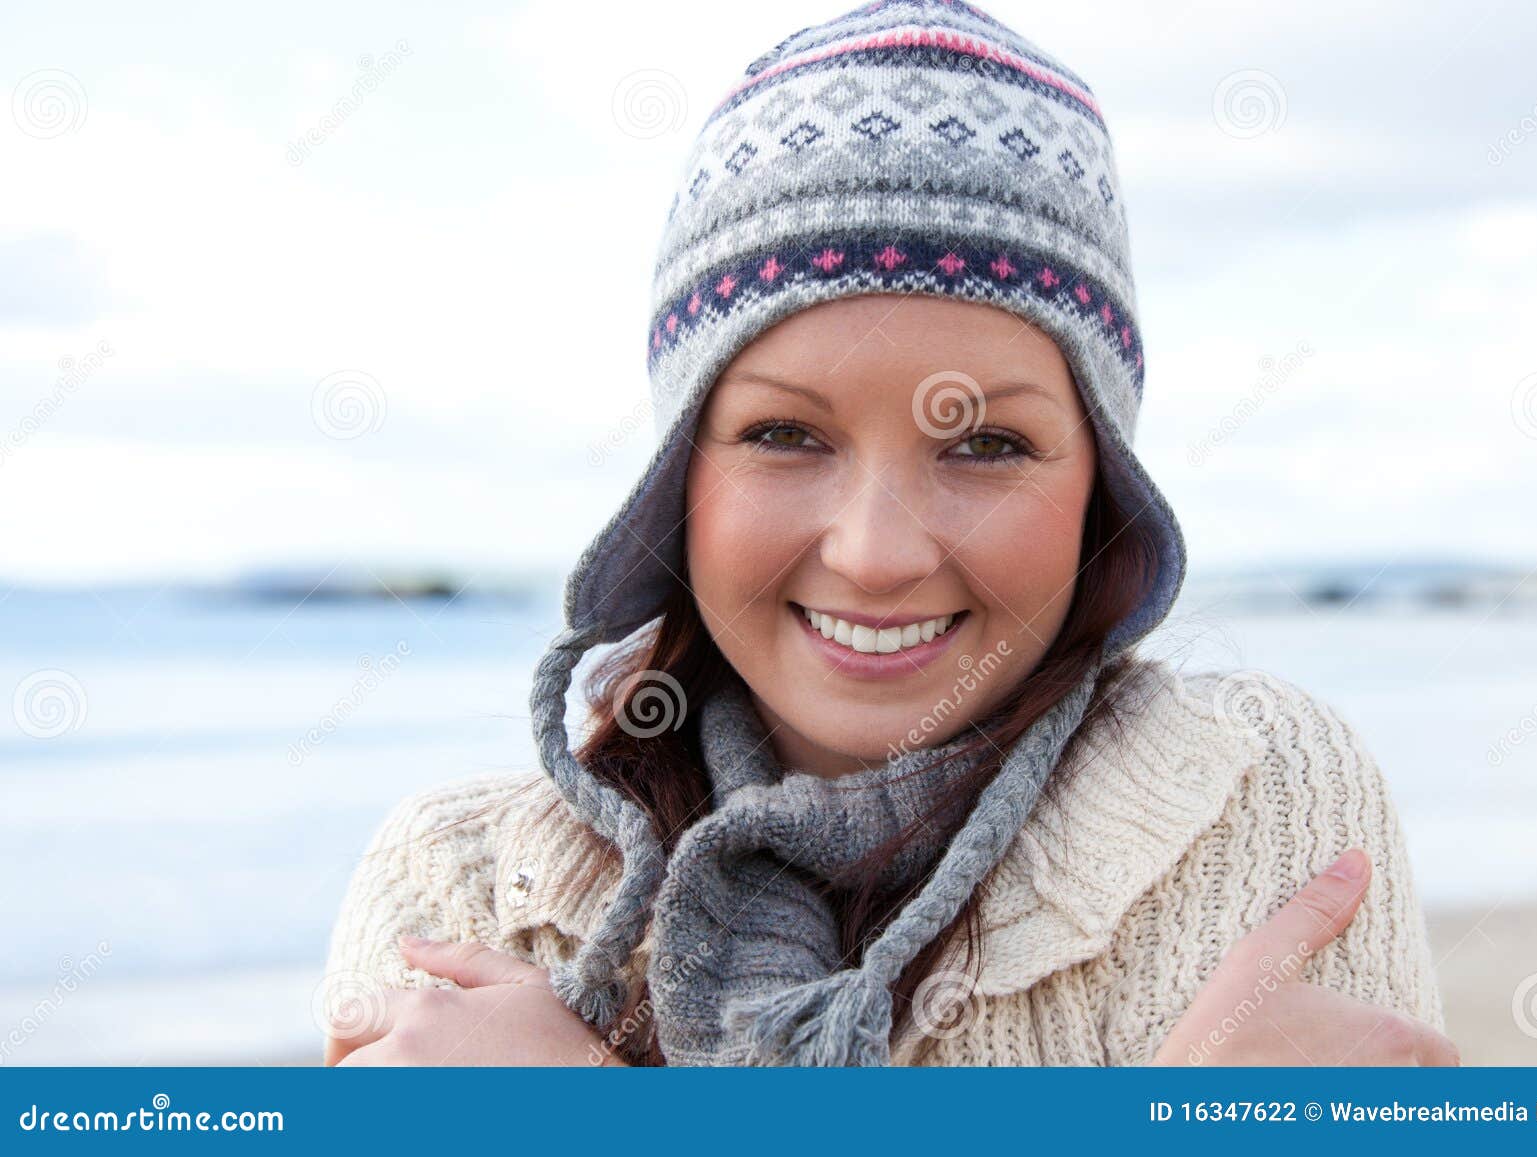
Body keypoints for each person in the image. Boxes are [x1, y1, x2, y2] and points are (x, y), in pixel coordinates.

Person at [319, 0, 1457, 1067]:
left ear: (1100, 484)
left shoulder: (1246, 789)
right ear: (678, 476)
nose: (875, 552)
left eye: (987, 444)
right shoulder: (460, 879)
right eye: (782, 433)